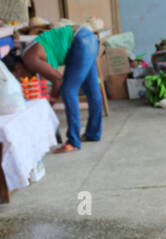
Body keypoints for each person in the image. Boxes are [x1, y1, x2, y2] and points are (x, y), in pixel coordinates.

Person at [8, 23, 101, 152]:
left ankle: (73, 141)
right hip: (89, 38)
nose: (22, 78)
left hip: (79, 42)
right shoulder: (29, 53)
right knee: (92, 90)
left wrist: (52, 100)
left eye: (18, 75)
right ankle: (93, 133)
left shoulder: (29, 58)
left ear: (18, 68)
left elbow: (57, 79)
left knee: (68, 91)